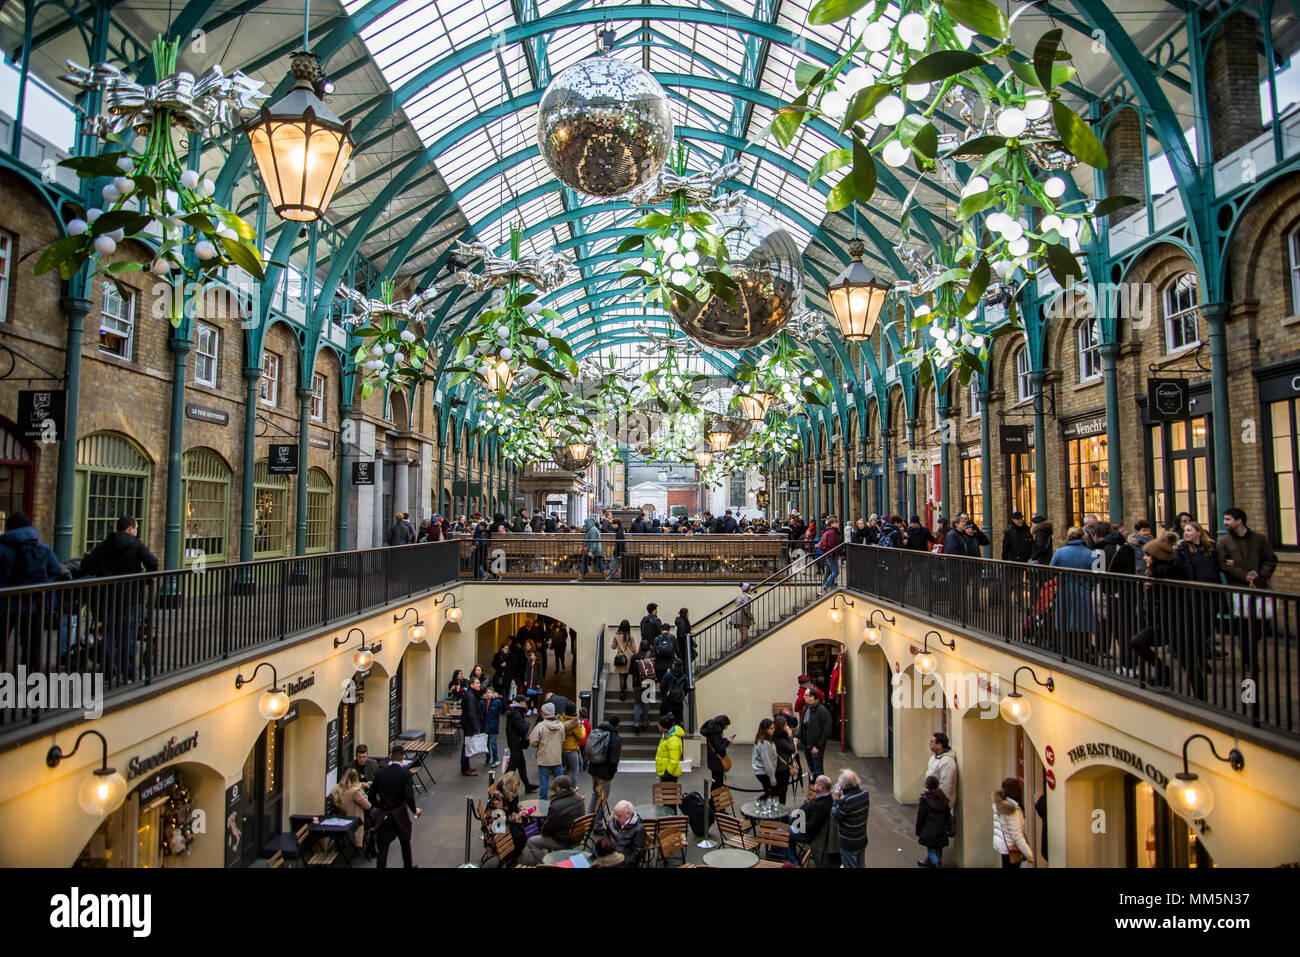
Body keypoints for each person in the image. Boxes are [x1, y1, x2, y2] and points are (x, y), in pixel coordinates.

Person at [81, 514, 159, 682]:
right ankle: (129, 673)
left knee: (109, 634)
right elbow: (153, 563)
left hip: (107, 598)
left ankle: (109, 671)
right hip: (131, 597)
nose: (136, 532)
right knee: (128, 635)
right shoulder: (136, 546)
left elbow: (86, 564)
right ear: (130, 528)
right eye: (135, 529)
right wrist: (143, 578)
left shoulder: (103, 546)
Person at [0, 511, 67, 669]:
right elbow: (55, 569)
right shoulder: (42, 547)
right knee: (30, 644)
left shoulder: (2, 548)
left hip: (5, 603)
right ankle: (27, 678)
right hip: (34, 603)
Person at [1216, 507, 1277, 672]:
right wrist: (1244, 576)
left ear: (1239, 520)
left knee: (1260, 625)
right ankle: (1249, 658)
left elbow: (1271, 558)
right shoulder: (1224, 542)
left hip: (1259, 587)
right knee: (1242, 626)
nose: (1225, 523)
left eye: (1228, 519)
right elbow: (1222, 564)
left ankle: (1249, 652)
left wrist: (1260, 574)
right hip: (1238, 589)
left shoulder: (1259, 539)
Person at [1049, 526, 1101, 658]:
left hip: (1064, 591)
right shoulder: (1092, 553)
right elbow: (1097, 577)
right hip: (1083, 593)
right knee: (1082, 624)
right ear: (1083, 537)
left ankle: (1067, 652)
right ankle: (1082, 653)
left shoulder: (1060, 552)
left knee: (1065, 623)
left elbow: (1051, 570)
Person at [371, 743, 421, 868]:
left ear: (390, 756)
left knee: (383, 848)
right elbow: (409, 796)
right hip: (400, 814)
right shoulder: (405, 774)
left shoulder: (380, 773)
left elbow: (371, 796)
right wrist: (414, 810)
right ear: (403, 758)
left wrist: (381, 805)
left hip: (385, 814)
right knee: (405, 843)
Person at [521, 775, 584, 865]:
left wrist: (543, 832)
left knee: (531, 842)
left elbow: (547, 830)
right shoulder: (579, 799)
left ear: (558, 789)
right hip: (577, 836)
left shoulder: (556, 806)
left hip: (562, 840)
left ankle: (546, 864)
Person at [789, 774, 835, 866]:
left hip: (808, 834)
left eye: (816, 783)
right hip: (802, 822)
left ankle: (793, 861)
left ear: (821, 787)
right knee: (784, 822)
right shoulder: (823, 797)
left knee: (783, 832)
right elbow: (806, 807)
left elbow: (812, 826)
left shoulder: (821, 806)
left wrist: (796, 823)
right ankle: (791, 851)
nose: (814, 784)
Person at [830, 769, 870, 868]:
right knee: (861, 865)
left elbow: (835, 816)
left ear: (844, 786)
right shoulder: (865, 794)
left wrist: (836, 800)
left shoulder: (846, 801)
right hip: (861, 839)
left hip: (849, 843)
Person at [992, 777, 1035, 867]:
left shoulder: (1000, 805)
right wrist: (1029, 854)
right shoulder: (1012, 810)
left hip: (1003, 847)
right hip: (1012, 849)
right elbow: (1017, 836)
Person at [529, 701, 566, 796]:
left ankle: (543, 807)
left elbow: (533, 742)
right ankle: (560, 802)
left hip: (544, 758)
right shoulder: (560, 726)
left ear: (544, 713)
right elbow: (563, 739)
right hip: (557, 758)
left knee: (544, 782)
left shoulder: (540, 726)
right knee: (559, 783)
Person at [586, 715, 622, 813]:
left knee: (596, 794)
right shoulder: (615, 738)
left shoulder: (598, 731)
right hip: (604, 774)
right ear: (617, 725)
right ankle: (597, 823)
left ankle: (590, 819)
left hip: (594, 769)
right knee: (602, 799)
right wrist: (610, 774)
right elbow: (614, 760)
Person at [915, 774, 952, 867]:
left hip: (929, 829)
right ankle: (930, 861)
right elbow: (948, 815)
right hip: (941, 828)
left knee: (931, 848)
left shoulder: (925, 800)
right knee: (938, 847)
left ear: (926, 786)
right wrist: (949, 827)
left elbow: (921, 817)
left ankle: (936, 862)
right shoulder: (943, 798)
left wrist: (918, 830)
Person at [330, 768, 372, 850]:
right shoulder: (355, 791)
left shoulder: (337, 787)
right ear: (356, 778)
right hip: (354, 821)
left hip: (341, 819)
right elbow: (368, 806)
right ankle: (370, 849)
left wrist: (361, 785)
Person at [504, 694, 538, 792]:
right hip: (516, 743)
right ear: (520, 703)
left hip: (515, 743)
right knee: (511, 768)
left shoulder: (515, 713)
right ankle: (501, 786)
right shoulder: (516, 714)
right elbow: (523, 728)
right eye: (524, 701)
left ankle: (527, 785)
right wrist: (527, 724)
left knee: (521, 765)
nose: (526, 703)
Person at [800, 686, 832, 779]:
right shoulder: (806, 708)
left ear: (812, 697)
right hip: (806, 744)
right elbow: (803, 724)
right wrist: (797, 736)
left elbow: (827, 731)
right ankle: (813, 790)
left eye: (806, 695)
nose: (803, 697)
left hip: (815, 747)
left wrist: (818, 746)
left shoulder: (823, 711)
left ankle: (821, 790)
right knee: (812, 770)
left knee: (818, 771)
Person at [609, 800, 646, 867]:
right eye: (615, 815)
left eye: (619, 816)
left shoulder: (638, 829)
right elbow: (607, 837)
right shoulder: (613, 822)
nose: (616, 818)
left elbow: (637, 852)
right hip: (610, 857)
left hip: (624, 862)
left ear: (628, 814)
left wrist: (623, 863)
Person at [699, 714, 733, 787]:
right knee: (717, 784)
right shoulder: (716, 733)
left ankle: (714, 798)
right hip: (717, 762)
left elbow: (716, 744)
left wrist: (725, 740)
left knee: (716, 782)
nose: (726, 727)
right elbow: (720, 748)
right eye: (726, 725)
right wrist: (727, 742)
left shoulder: (711, 731)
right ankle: (714, 798)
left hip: (713, 761)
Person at [459, 676, 484, 777]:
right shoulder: (470, 696)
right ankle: (465, 768)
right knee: (467, 746)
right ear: (472, 684)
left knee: (467, 745)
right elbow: (471, 713)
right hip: (469, 725)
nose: (479, 685)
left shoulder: (471, 695)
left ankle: (466, 766)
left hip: (468, 724)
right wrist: (476, 727)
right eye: (477, 683)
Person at [927, 731, 957, 810]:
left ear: (939, 745)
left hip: (940, 802)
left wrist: (939, 803)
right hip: (932, 798)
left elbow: (946, 785)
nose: (929, 743)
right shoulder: (934, 757)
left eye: (932, 741)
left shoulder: (947, 762)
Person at [773, 713, 799, 803]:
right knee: (782, 791)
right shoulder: (781, 739)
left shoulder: (774, 737)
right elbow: (791, 749)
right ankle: (781, 810)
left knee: (777, 791)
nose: (787, 727)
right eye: (786, 725)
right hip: (782, 768)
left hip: (777, 767)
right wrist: (790, 737)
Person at [560, 701, 586, 784]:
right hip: (571, 750)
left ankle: (558, 781)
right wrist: (583, 728)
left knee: (567, 768)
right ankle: (574, 788)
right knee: (575, 770)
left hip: (562, 748)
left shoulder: (561, 719)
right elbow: (581, 737)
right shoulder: (575, 723)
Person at [654, 714, 684, 783]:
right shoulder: (667, 736)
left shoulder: (672, 740)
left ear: (664, 727)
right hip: (667, 773)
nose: (658, 726)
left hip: (669, 775)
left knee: (669, 793)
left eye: (660, 725)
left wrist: (667, 774)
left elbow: (674, 760)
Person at [752, 717, 778, 799]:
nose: (774, 730)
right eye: (771, 728)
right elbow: (767, 762)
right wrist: (772, 778)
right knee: (770, 794)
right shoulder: (764, 743)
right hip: (763, 773)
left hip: (762, 772)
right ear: (765, 729)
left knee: (769, 793)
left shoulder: (763, 740)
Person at [611, 619, 637, 700]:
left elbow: (613, 647)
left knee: (621, 675)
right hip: (629, 657)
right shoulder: (630, 635)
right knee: (626, 674)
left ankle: (622, 693)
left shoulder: (616, 635)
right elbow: (634, 649)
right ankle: (625, 685)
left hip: (621, 657)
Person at [659, 657, 688, 727]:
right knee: (678, 720)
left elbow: (662, 687)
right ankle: (678, 735)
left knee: (663, 717)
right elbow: (686, 689)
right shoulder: (684, 677)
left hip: (668, 700)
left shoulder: (667, 675)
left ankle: (665, 732)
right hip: (678, 702)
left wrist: (663, 695)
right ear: (681, 667)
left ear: (673, 665)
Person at [818, 516, 843, 592]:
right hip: (831, 554)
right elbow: (832, 543)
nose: (838, 524)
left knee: (832, 571)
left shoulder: (831, 531)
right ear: (832, 524)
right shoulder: (832, 532)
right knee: (835, 571)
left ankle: (831, 586)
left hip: (830, 554)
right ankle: (826, 585)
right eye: (836, 522)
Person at [481, 687, 503, 769]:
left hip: (493, 725)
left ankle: (496, 760)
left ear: (493, 693)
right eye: (488, 692)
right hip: (486, 725)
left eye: (490, 692)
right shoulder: (483, 702)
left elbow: (502, 710)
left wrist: (502, 699)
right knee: (486, 744)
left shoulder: (497, 701)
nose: (489, 694)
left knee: (493, 743)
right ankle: (488, 758)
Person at [730, 582, 755, 648]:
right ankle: (734, 646)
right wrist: (752, 618)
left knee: (743, 635)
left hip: (737, 618)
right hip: (741, 619)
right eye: (750, 589)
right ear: (748, 590)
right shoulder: (746, 598)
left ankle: (739, 648)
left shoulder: (741, 596)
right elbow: (747, 610)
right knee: (744, 635)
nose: (751, 590)